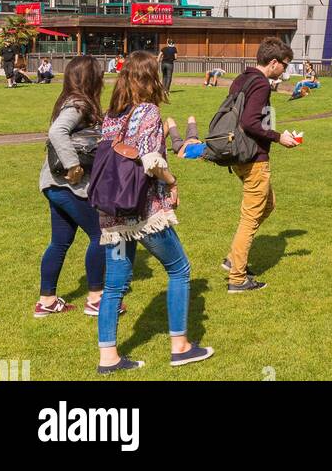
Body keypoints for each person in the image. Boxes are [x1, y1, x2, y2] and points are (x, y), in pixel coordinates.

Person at [95, 50, 213, 373]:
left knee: (114, 284)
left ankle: (108, 358)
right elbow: (151, 162)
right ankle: (180, 347)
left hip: (113, 213)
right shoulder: (147, 111)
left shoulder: (112, 114)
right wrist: (172, 182)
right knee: (180, 268)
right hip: (145, 212)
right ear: (150, 78)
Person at [36, 56, 112, 319]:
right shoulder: (79, 104)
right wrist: (73, 166)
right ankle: (95, 298)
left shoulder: (69, 101)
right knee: (101, 235)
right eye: (99, 74)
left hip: (53, 185)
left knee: (59, 242)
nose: (102, 78)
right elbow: (57, 132)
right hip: (68, 184)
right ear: (90, 78)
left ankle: (46, 301)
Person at [224, 38, 300, 293]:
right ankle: (237, 278)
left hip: (238, 155)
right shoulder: (260, 84)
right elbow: (250, 122)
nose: (285, 71)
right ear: (274, 63)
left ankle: (234, 258)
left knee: (268, 204)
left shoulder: (242, 78)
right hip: (254, 157)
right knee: (251, 217)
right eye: (285, 65)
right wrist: (279, 137)